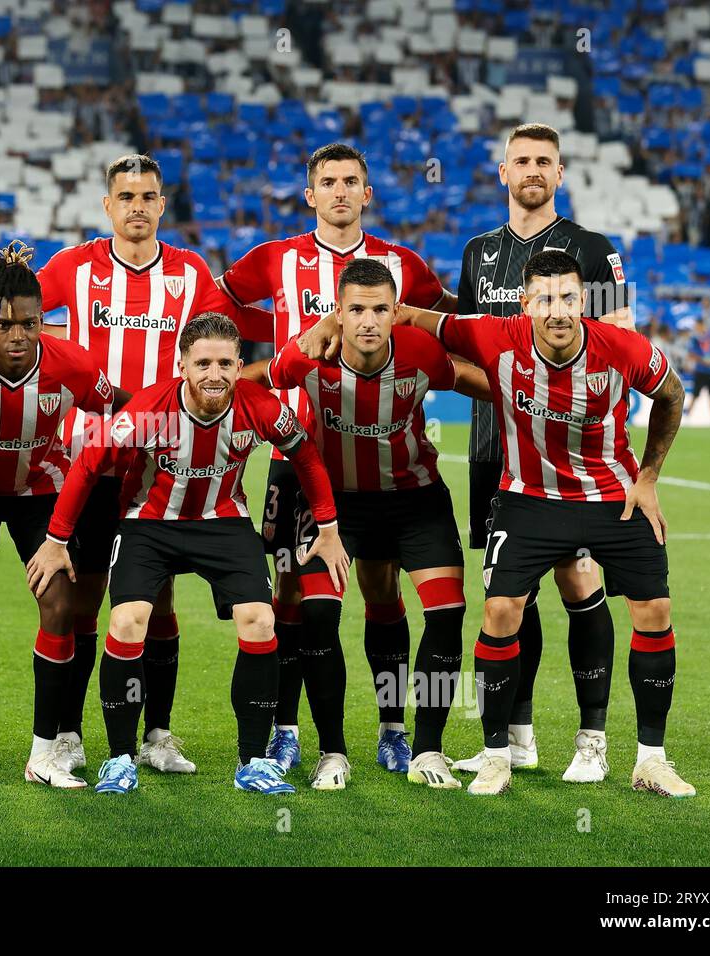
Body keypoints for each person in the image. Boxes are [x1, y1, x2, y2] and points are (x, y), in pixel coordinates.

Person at [400, 249, 693, 798]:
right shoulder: (493, 335)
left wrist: (649, 477)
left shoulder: (623, 349)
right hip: (529, 498)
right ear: (525, 302)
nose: (557, 311)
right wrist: (335, 325)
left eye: (567, 298)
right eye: (545, 298)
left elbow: (671, 395)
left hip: (613, 496)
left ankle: (650, 759)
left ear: (583, 301)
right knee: (501, 609)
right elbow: (417, 317)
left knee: (654, 610)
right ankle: (495, 757)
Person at [27, 312, 350, 795]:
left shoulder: (260, 406)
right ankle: (120, 758)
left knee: (261, 621)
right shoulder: (147, 409)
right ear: (182, 365)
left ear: (241, 366)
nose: (214, 374)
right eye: (202, 363)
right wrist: (55, 540)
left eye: (224, 363)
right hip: (148, 523)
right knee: (127, 621)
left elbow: (304, 455)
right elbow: (90, 461)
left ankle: (254, 761)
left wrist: (327, 527)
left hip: (223, 522)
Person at [220, 142, 455, 775]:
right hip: (297, 453)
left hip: (383, 458)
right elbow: (216, 312)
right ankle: (291, 728)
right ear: (311, 194)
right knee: (291, 596)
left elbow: (449, 321)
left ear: (368, 192)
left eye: (352, 181)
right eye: (329, 182)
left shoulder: (403, 264)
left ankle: (395, 728)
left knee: (382, 594)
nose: (341, 192)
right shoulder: (275, 259)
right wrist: (249, 370)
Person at [36, 152, 270, 775]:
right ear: (107, 205)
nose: (137, 206)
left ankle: (157, 735)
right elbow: (17, 316)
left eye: (148, 196)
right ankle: (67, 736)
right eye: (125, 195)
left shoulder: (192, 273)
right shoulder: (72, 267)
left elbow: (224, 342)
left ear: (162, 205)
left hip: (164, 468)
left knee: (156, 603)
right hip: (93, 461)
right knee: (86, 604)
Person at [241, 259, 491, 790]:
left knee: (447, 613)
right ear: (337, 312)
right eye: (356, 309)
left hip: (415, 499)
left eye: (381, 309)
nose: (369, 321)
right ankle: (334, 752)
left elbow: (469, 378)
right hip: (333, 507)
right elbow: (259, 386)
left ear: (396, 311)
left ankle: (423, 747)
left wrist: (532, 392)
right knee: (317, 617)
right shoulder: (307, 357)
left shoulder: (422, 352)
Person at [450, 123, 633, 779]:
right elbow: (463, 349)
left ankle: (592, 743)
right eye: (521, 160)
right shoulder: (476, 253)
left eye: (544, 161)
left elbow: (621, 343)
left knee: (581, 584)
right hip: (494, 455)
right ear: (503, 173)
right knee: (508, 597)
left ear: (561, 174)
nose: (532, 169)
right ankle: (518, 739)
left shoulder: (594, 249)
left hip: (572, 462)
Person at [0, 241, 130, 789]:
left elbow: (125, 406)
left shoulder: (74, 365)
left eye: (31, 324)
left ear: (45, 320)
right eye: (6, 323)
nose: (18, 336)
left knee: (60, 604)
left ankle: (44, 754)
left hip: (41, 494)